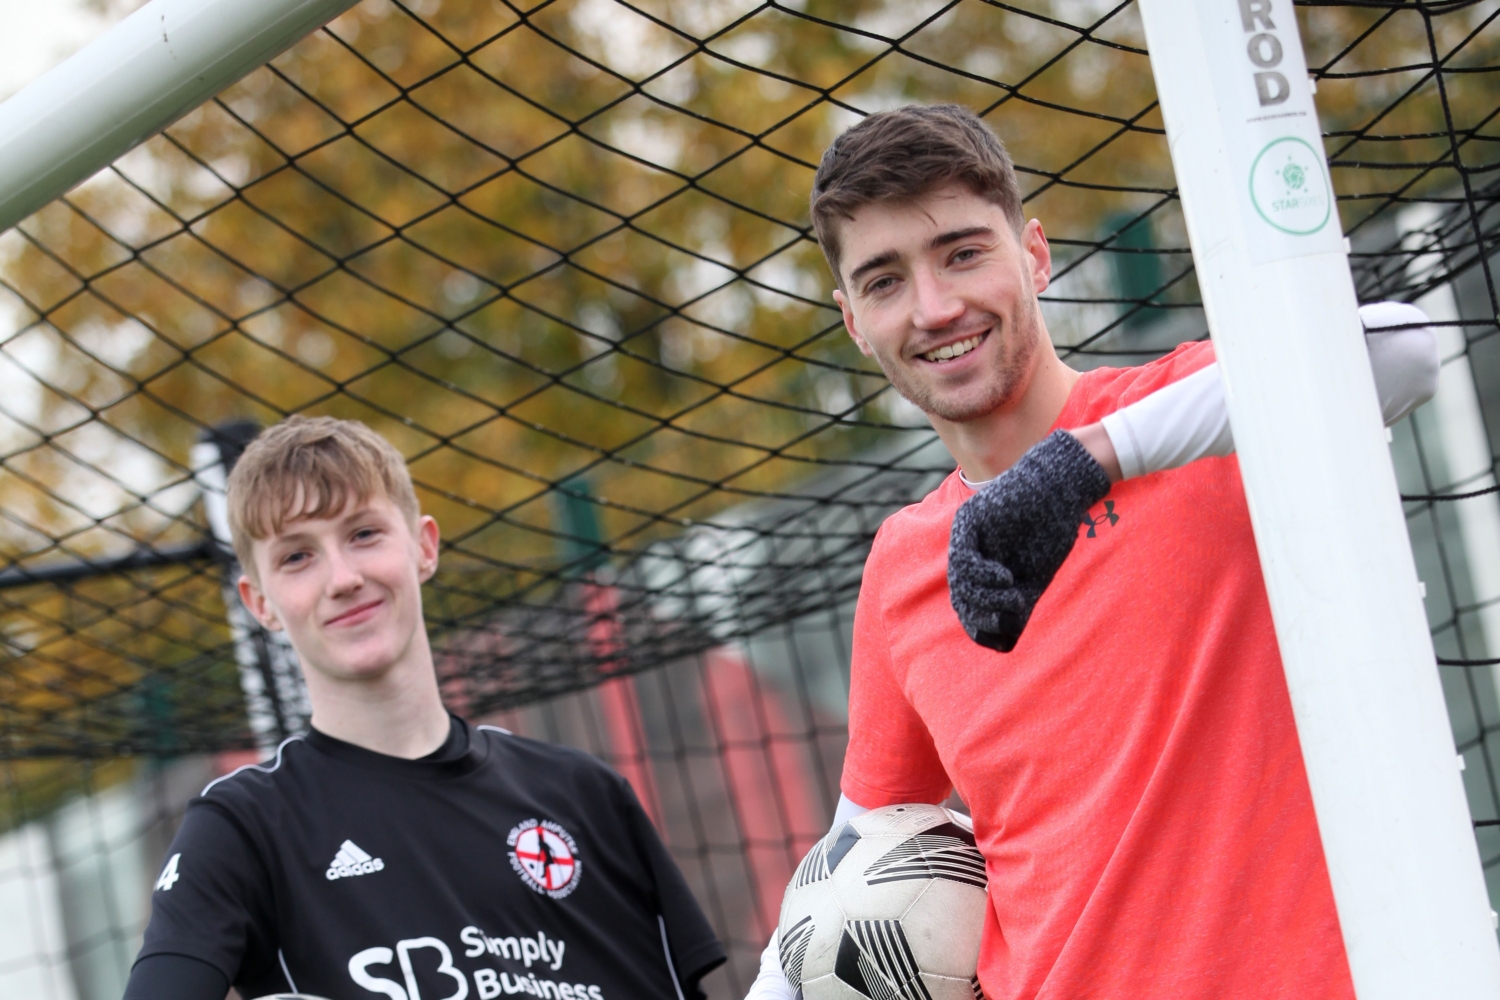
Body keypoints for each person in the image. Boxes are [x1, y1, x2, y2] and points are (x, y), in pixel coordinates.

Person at [746, 104, 1438, 999]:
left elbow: (1403, 348)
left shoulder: (1191, 416)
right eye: (884, 281)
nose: (935, 308)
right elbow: (848, 864)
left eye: (963, 253)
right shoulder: (903, 564)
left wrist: (1090, 461)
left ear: (1035, 255)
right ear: (852, 320)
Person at [124, 417, 725, 1000]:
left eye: (364, 534)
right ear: (259, 603)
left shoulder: (585, 796)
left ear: (424, 547)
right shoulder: (244, 828)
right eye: (297, 557)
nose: (343, 578)